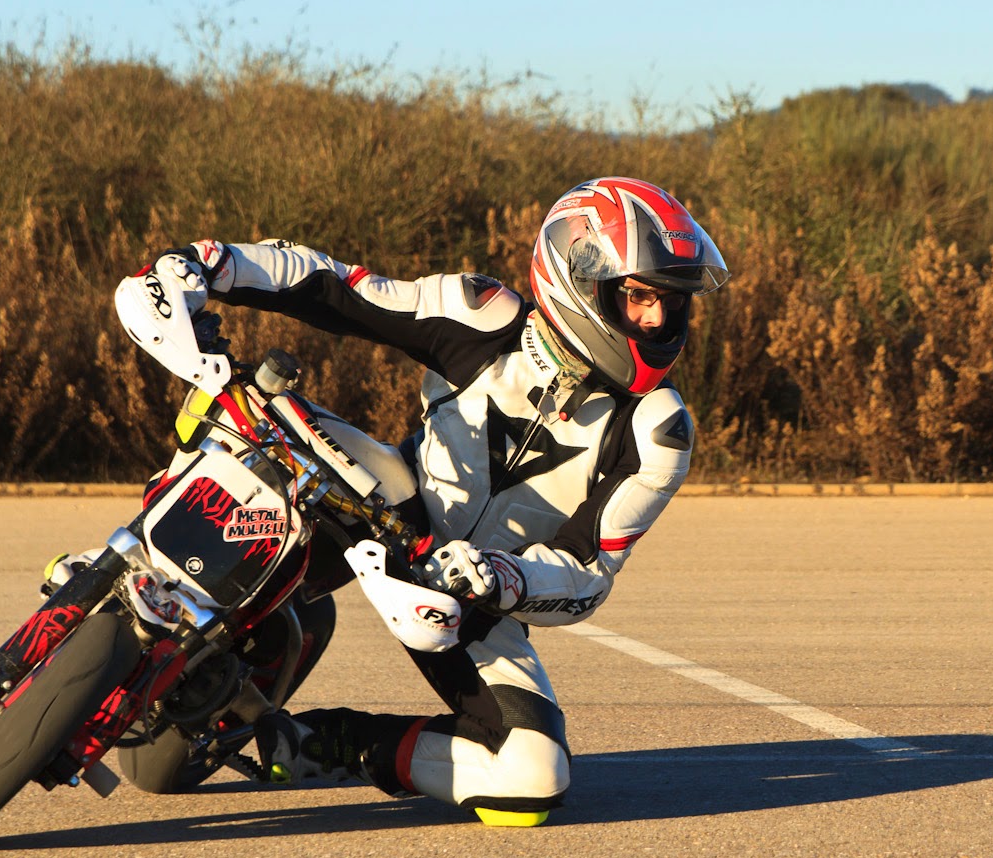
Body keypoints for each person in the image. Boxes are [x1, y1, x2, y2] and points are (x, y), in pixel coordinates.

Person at [148, 177, 729, 825]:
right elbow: (334, 286)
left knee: (533, 774)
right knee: (252, 409)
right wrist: (209, 264)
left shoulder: (659, 431)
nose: (657, 319)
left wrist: (505, 578)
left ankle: (318, 744)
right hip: (391, 504)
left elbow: (589, 576)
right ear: (578, 277)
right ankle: (135, 572)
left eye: (671, 303)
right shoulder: (480, 314)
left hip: (477, 594)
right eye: (640, 296)